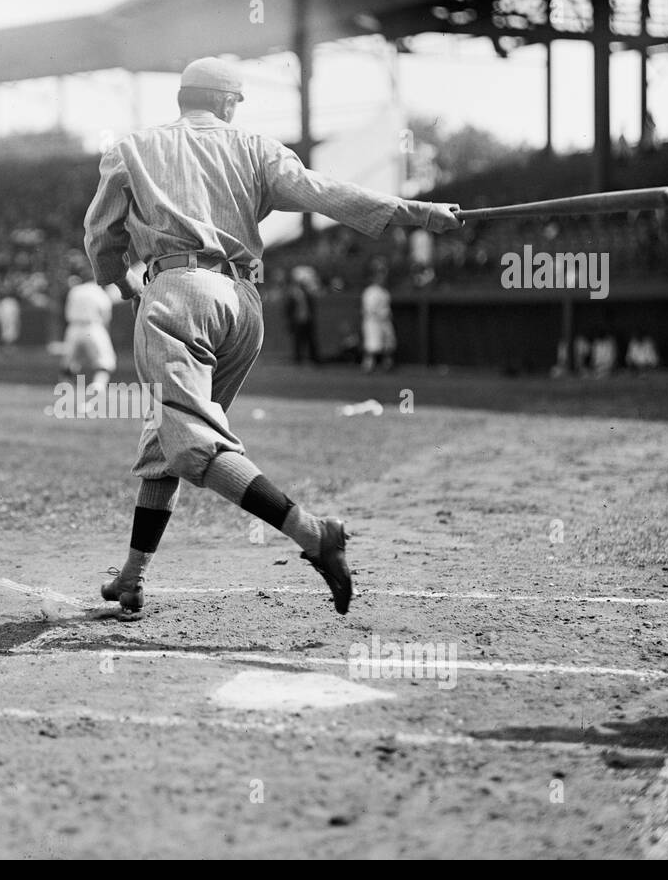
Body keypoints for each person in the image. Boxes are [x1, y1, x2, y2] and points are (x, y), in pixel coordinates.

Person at [83, 56, 461, 618]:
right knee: (166, 441)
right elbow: (321, 192)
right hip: (242, 305)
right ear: (227, 102)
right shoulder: (255, 147)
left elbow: (99, 235)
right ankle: (132, 577)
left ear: (183, 99)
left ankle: (313, 533)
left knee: (192, 445)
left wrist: (121, 282)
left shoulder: (131, 148)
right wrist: (415, 211)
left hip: (177, 293)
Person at [62, 274, 116, 398]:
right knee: (105, 360)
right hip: (93, 327)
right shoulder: (99, 292)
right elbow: (105, 315)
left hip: (73, 327)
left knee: (70, 360)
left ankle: (65, 386)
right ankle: (98, 385)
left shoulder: (75, 290)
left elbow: (67, 311)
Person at [360, 257, 396, 372]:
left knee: (388, 344)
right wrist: (380, 315)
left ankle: (387, 365)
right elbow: (369, 309)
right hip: (373, 322)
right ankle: (368, 365)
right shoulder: (370, 291)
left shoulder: (385, 292)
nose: (382, 278)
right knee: (372, 345)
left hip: (385, 321)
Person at [285, 265, 322, 365]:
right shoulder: (294, 294)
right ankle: (298, 359)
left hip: (307, 319)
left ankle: (314, 358)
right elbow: (289, 308)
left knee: (311, 340)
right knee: (298, 341)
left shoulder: (306, 293)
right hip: (298, 320)